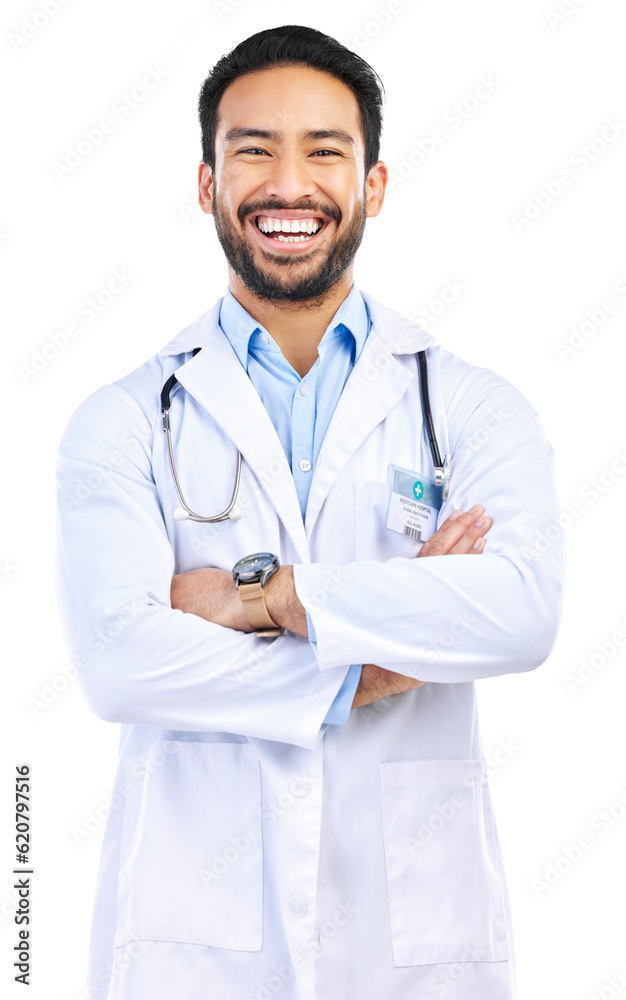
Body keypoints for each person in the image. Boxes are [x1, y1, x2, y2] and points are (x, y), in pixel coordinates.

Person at [55, 24, 564, 1000]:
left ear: (372, 185)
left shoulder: (466, 404)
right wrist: (387, 647)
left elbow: (521, 609)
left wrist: (266, 596)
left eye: (323, 150)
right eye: (253, 148)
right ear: (205, 183)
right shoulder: (122, 418)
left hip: (411, 937)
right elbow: (120, 659)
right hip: (192, 949)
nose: (288, 185)